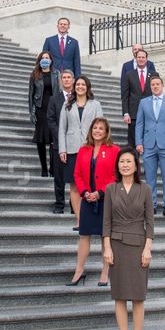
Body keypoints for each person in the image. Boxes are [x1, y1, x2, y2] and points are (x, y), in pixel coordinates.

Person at [102, 147, 154, 330]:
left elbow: (150, 222)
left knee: (138, 296)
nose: (124, 165)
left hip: (139, 245)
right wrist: (107, 247)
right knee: (120, 296)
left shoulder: (145, 189)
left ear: (135, 165)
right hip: (116, 245)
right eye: (121, 161)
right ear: (117, 165)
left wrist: (148, 248)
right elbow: (106, 222)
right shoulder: (110, 189)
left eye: (128, 161)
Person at [70, 116, 119, 287]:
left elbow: (115, 176)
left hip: (105, 200)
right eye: (95, 128)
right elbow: (77, 174)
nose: (97, 131)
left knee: (106, 236)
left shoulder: (114, 150)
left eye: (101, 128)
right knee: (84, 235)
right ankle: (78, 271)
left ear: (106, 132)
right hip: (87, 199)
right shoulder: (83, 150)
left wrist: (100, 192)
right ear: (91, 130)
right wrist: (84, 192)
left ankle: (105, 272)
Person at [57, 74, 103, 227]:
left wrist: (99, 147)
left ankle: (91, 217)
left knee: (90, 184)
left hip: (90, 148)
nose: (80, 87)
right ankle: (79, 219)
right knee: (75, 185)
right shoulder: (67, 104)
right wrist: (62, 149)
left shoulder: (95, 104)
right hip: (72, 149)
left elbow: (101, 127)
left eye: (83, 84)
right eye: (78, 85)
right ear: (74, 87)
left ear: (87, 87)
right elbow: (62, 128)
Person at [134, 73, 165, 217]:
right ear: (150, 87)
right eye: (153, 84)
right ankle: (152, 204)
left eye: (157, 84)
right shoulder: (144, 103)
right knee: (150, 178)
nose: (155, 86)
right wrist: (139, 142)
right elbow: (139, 124)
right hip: (148, 144)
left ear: (162, 86)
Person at [45, 69, 76, 214]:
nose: (66, 80)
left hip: (76, 144)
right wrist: (61, 136)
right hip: (58, 143)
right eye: (64, 78)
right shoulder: (54, 99)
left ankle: (74, 205)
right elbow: (50, 120)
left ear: (73, 80)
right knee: (58, 176)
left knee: (75, 176)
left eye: (69, 77)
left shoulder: (78, 97)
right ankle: (59, 204)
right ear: (60, 81)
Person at [119, 46, 157, 151]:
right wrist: (125, 113)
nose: (141, 59)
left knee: (148, 140)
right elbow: (125, 95)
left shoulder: (154, 74)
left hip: (150, 113)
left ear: (146, 59)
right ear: (136, 58)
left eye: (143, 57)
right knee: (133, 142)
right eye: (139, 57)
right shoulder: (129, 75)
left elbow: (157, 93)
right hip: (133, 113)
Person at [29, 50, 56, 179]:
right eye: (42, 58)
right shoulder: (35, 74)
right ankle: (44, 169)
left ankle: (52, 168)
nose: (45, 60)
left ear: (51, 60)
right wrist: (31, 112)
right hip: (40, 109)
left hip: (52, 109)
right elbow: (30, 94)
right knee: (40, 140)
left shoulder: (56, 74)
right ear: (39, 60)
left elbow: (59, 91)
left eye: (47, 57)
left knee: (53, 139)